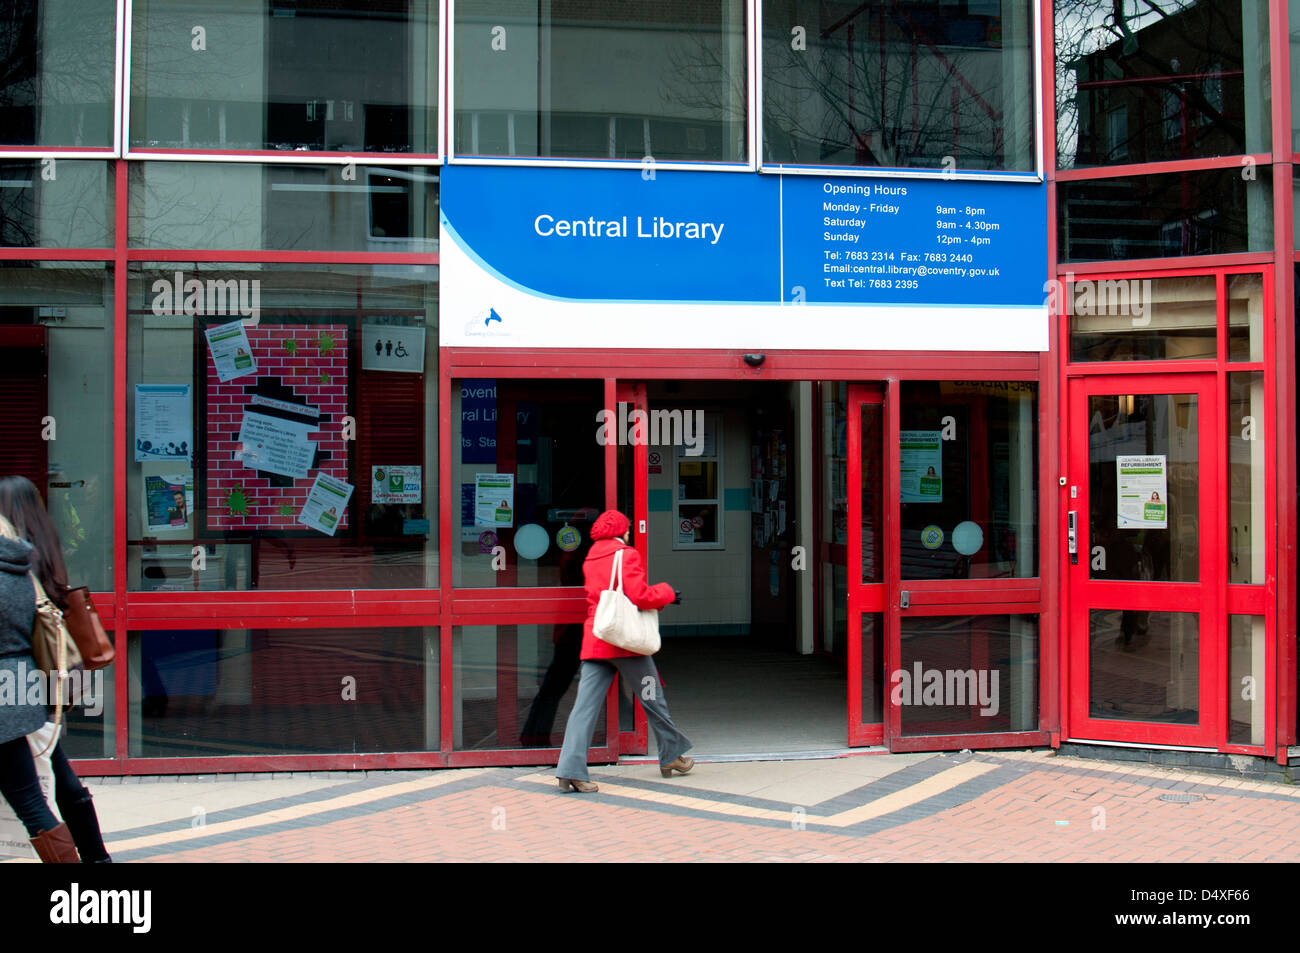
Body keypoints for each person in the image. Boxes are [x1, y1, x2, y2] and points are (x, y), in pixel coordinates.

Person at [0, 475, 111, 862]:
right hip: (34, 684)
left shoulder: (9, 569)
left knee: (32, 801)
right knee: (56, 780)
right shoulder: (29, 563)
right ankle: (97, 860)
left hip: (12, 693)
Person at [555, 510, 693, 792]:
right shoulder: (626, 554)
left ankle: (570, 770)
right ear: (622, 530)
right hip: (624, 641)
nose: (629, 532)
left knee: (583, 709)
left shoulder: (591, 555)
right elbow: (639, 595)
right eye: (628, 528)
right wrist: (668, 593)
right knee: (652, 697)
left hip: (597, 638)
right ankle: (670, 756)